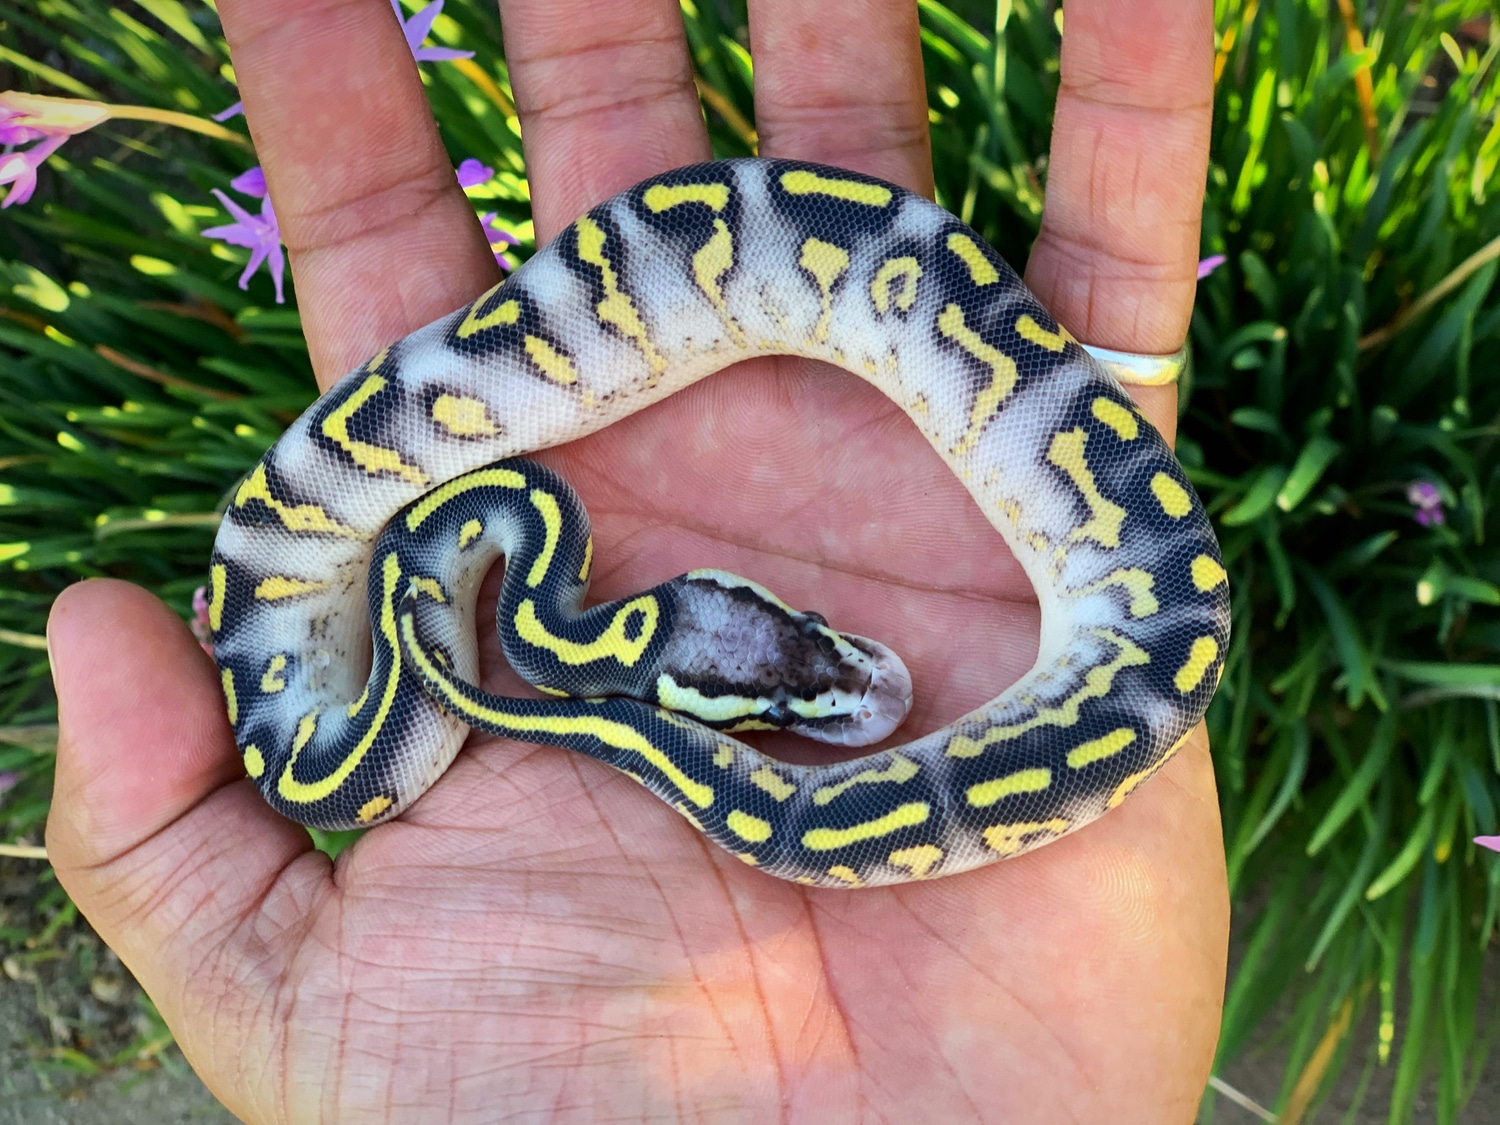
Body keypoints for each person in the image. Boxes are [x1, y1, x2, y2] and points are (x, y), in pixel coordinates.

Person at [45, 0, 1226, 1120]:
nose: (861, 682)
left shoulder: (508, 550)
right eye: (795, 691)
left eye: (795, 676)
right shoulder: (378, 719)